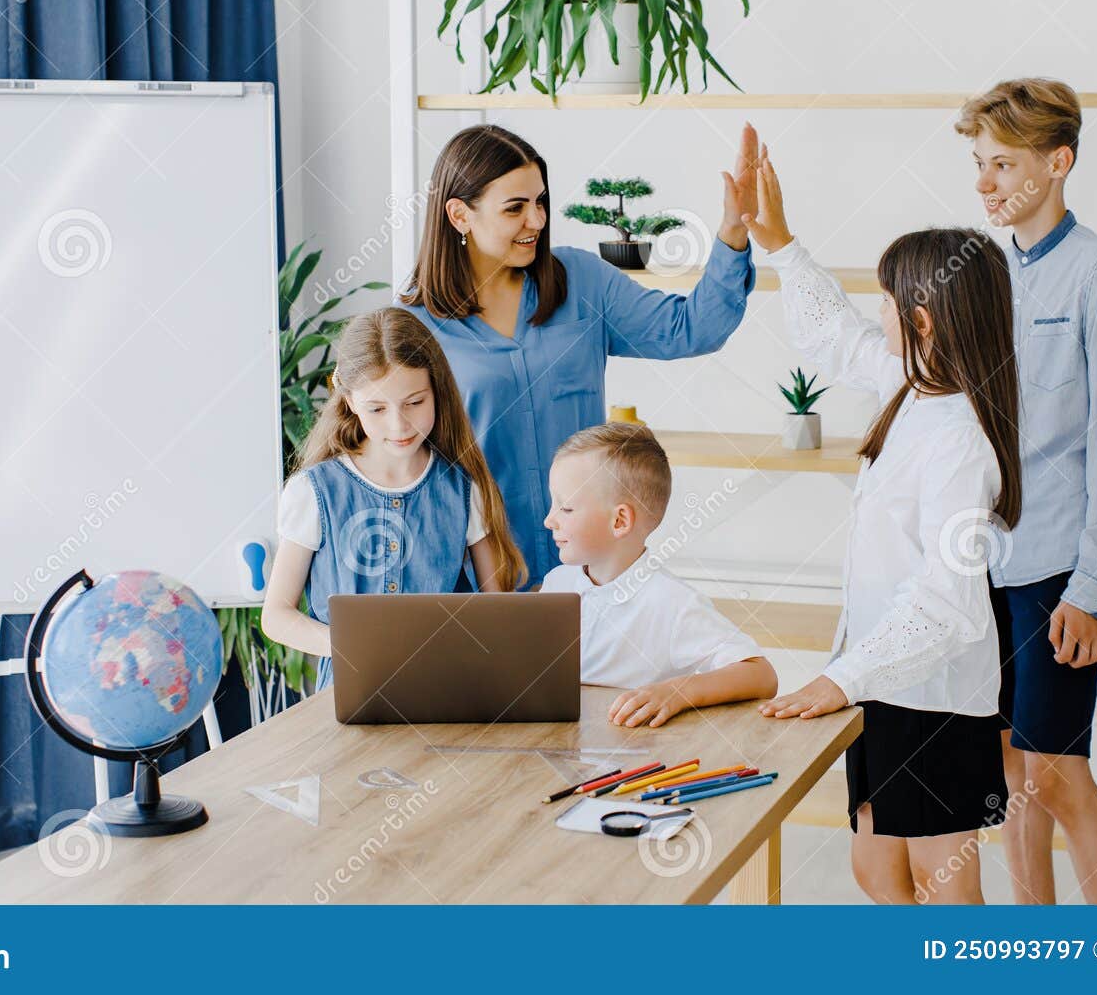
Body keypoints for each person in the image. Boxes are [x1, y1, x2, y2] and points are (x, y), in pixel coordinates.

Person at [748, 147, 1024, 905]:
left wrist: (840, 679)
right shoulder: (913, 384)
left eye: (887, 299)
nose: (877, 311)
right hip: (885, 684)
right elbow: (833, 335)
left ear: (923, 319)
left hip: (930, 696)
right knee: (876, 870)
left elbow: (947, 600)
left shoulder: (959, 441)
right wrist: (780, 243)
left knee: (947, 890)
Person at [401, 123, 762, 587]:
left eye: (540, 202)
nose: (536, 220)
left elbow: (690, 329)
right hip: (480, 576)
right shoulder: (413, 325)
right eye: (515, 208)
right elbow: (399, 462)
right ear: (459, 215)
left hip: (590, 566)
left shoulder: (583, 282)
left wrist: (734, 230)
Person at [957, 77, 1097, 905]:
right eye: (979, 164)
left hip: (1057, 572)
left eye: (1002, 164)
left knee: (1061, 772)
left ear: (1058, 161)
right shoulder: (979, 273)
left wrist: (1095, 589)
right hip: (981, 566)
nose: (985, 183)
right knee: (1010, 766)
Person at [260, 308, 526, 684]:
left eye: (415, 403)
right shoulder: (313, 491)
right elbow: (276, 616)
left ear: (437, 391)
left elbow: (496, 609)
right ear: (350, 401)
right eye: (377, 408)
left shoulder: (465, 489)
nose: (399, 425)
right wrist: (352, 646)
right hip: (345, 697)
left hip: (441, 692)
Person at [539, 422, 777, 727]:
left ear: (620, 520)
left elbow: (761, 675)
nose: (549, 520)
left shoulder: (672, 603)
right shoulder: (556, 582)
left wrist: (677, 692)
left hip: (633, 759)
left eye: (566, 509)